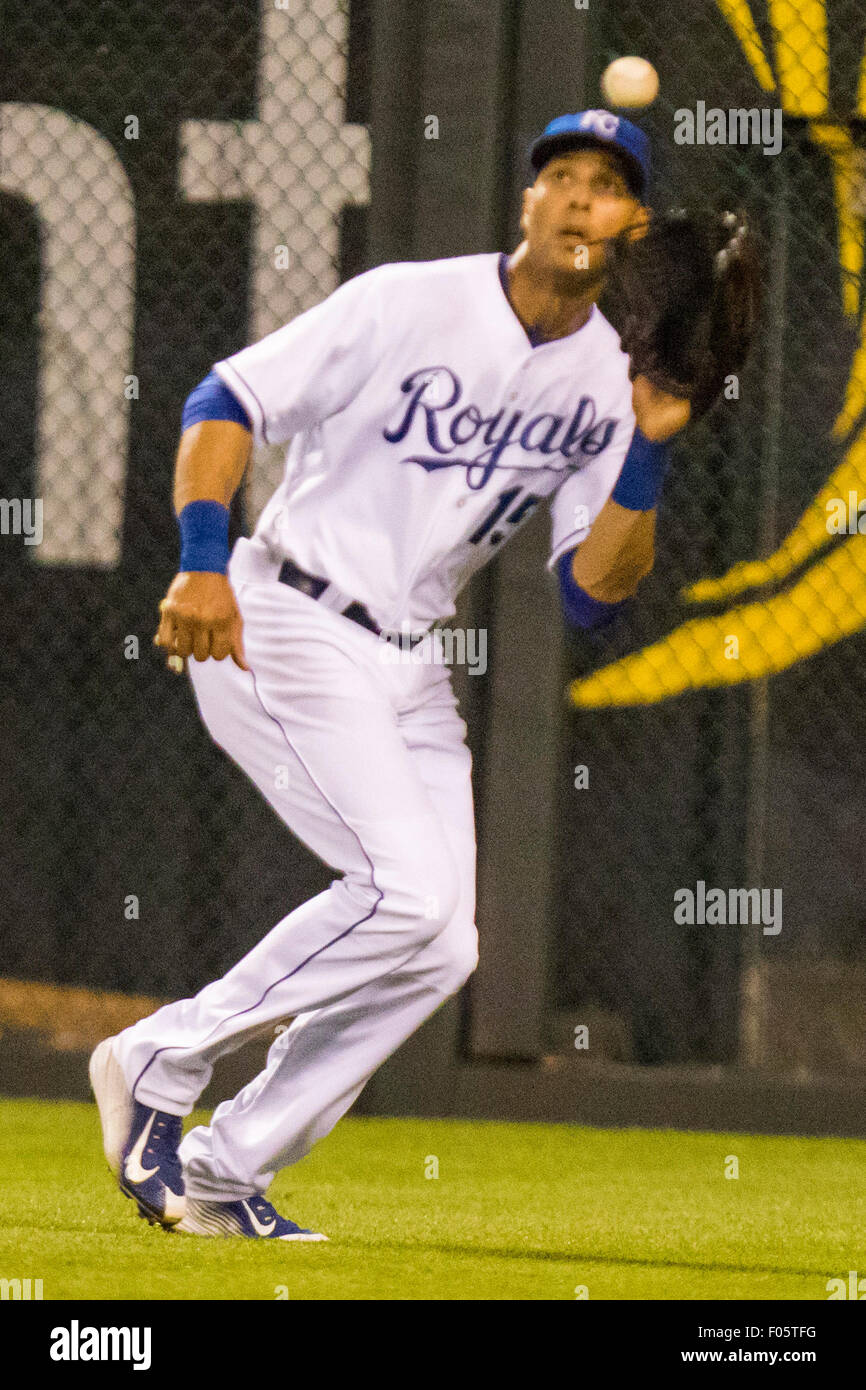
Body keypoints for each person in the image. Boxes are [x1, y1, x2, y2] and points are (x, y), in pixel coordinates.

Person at [90, 111, 702, 1241]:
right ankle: (157, 1057)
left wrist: (654, 440)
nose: (577, 197)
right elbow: (224, 401)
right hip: (283, 613)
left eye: (605, 185)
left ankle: (225, 1168)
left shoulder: (608, 379)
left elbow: (591, 589)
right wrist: (199, 562)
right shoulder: (406, 300)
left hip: (412, 661)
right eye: (558, 174)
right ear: (526, 204)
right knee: (406, 893)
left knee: (445, 942)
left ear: (631, 223)